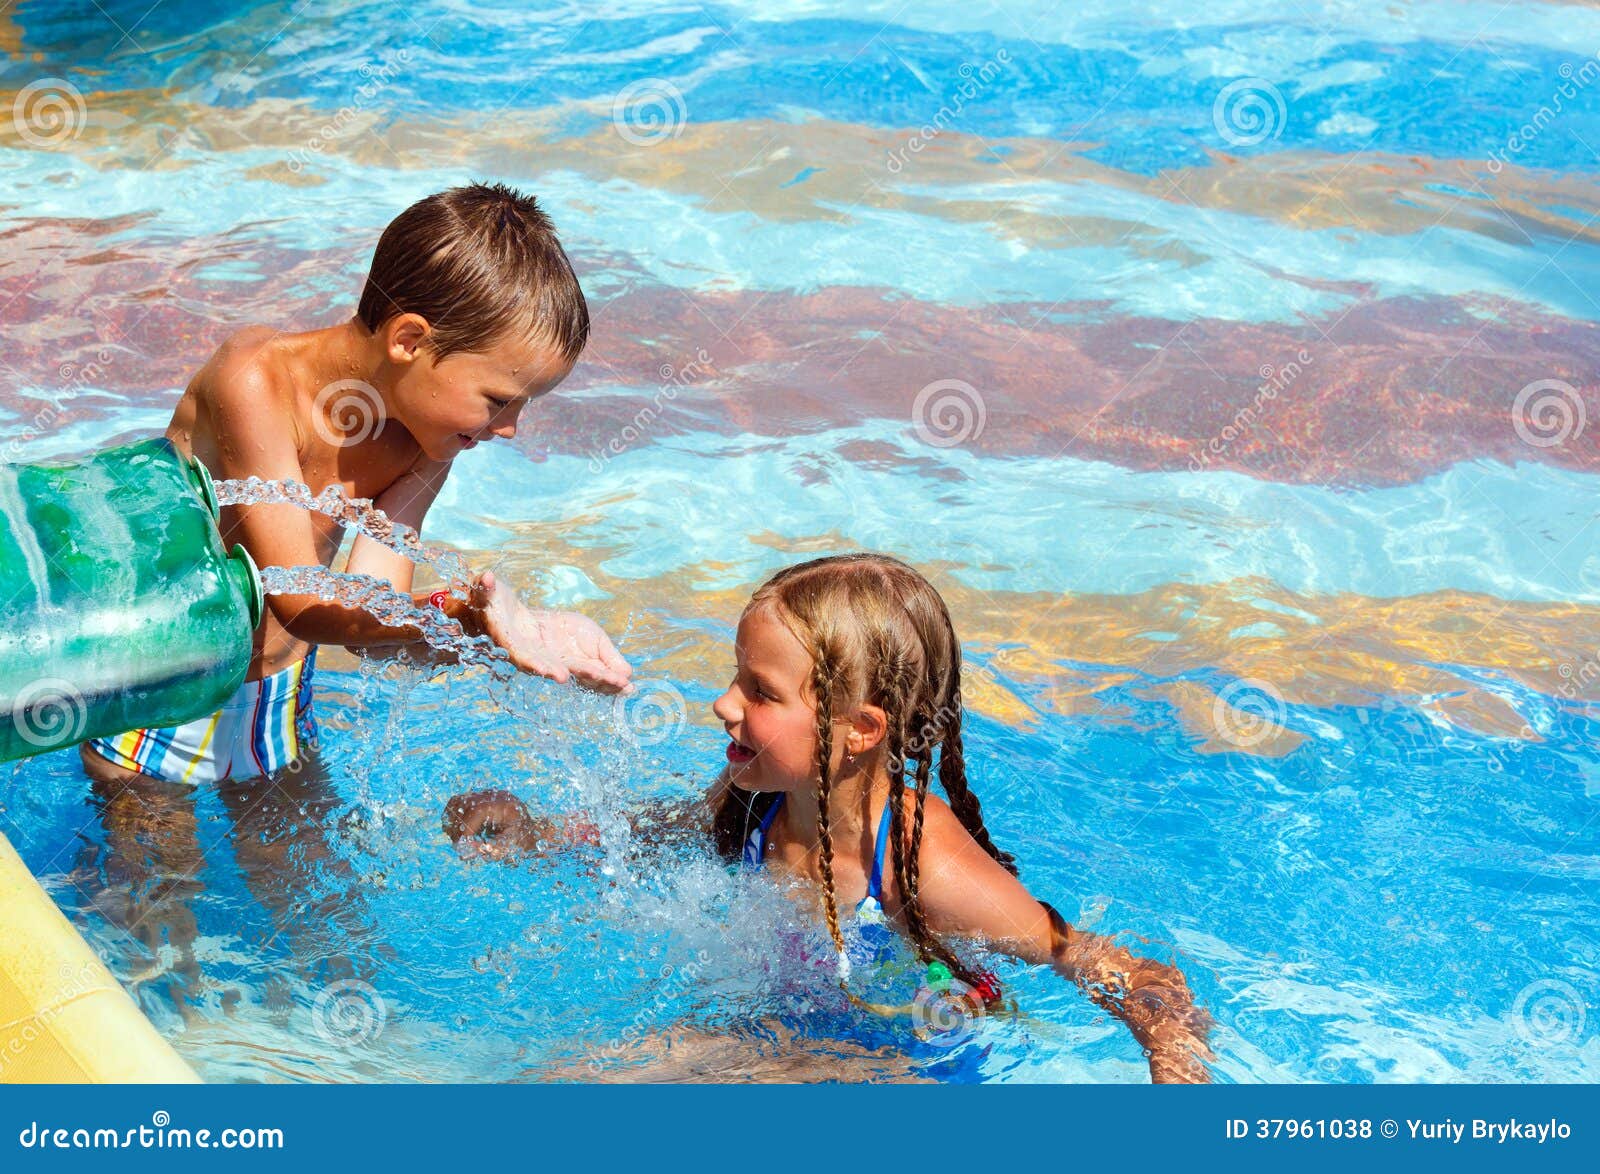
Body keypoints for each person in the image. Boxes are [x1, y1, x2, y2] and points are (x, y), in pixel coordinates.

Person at [447, 553, 1213, 1082]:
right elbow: (662, 833)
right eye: (735, 678)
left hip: (913, 1068)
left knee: (597, 1082)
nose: (723, 704)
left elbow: (1138, 977)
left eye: (760, 692)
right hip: (800, 1040)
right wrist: (538, 834)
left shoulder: (926, 869)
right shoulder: (754, 798)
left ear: (860, 730)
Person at [82, 182, 631, 787]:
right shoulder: (255, 382)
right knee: (154, 879)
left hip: (279, 700)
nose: (510, 429)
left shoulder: (427, 436)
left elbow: (373, 626)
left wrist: (508, 633)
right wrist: (464, 617)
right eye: (499, 400)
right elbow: (300, 600)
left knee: (312, 882)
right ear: (409, 341)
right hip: (165, 689)